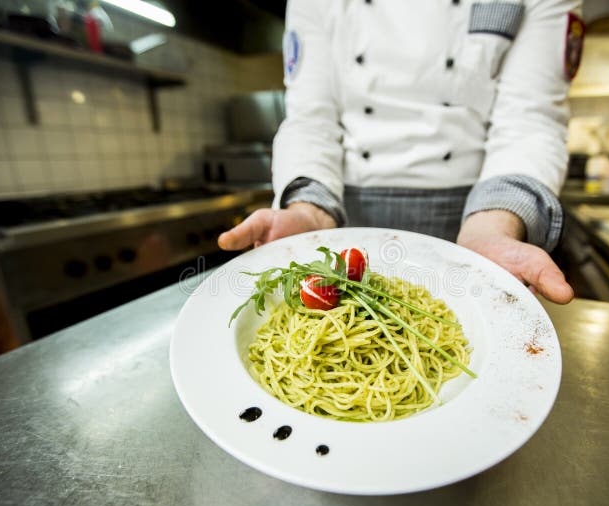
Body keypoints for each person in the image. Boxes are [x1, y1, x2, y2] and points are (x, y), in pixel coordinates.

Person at [219, 0, 585, 305]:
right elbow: (311, 119)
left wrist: (494, 226)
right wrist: (309, 212)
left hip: (474, 223)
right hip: (348, 223)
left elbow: (530, 118)